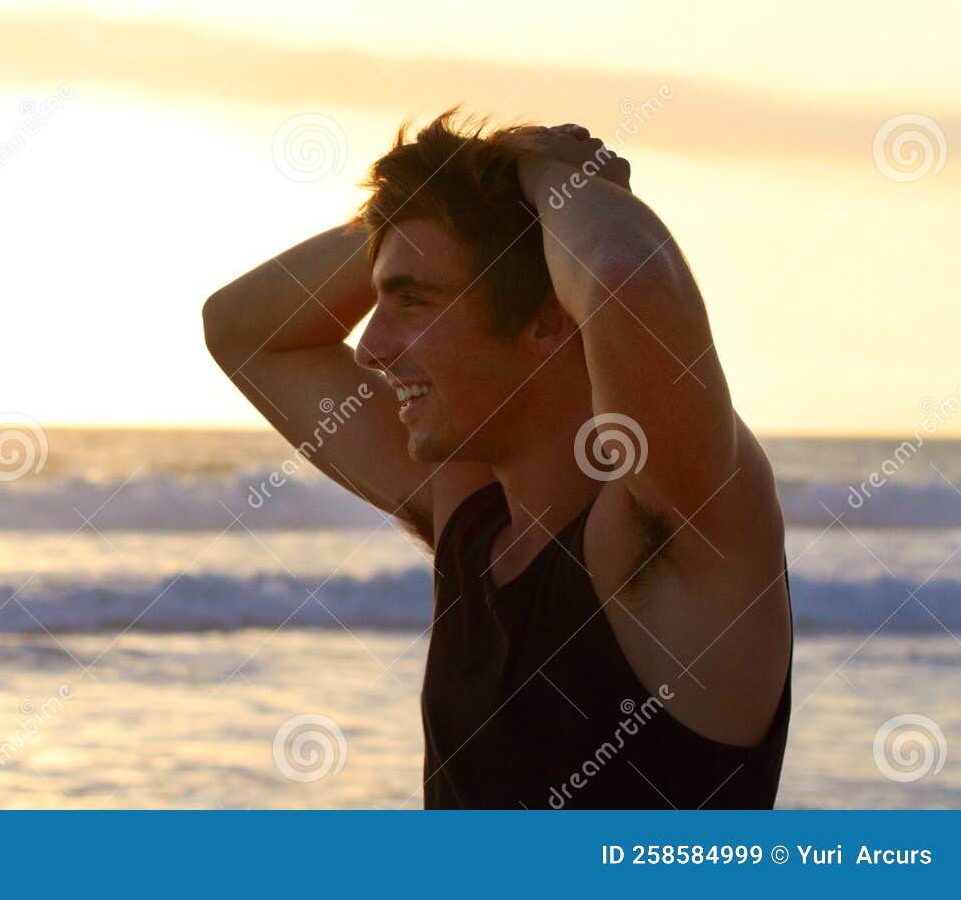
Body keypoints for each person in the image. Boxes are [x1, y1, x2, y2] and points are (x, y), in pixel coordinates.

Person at [201, 109, 792, 808]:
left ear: (546, 318)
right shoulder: (472, 516)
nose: (371, 346)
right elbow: (243, 331)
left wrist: (550, 179)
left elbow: (628, 280)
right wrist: (458, 189)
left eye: (413, 301)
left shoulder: (670, 533)